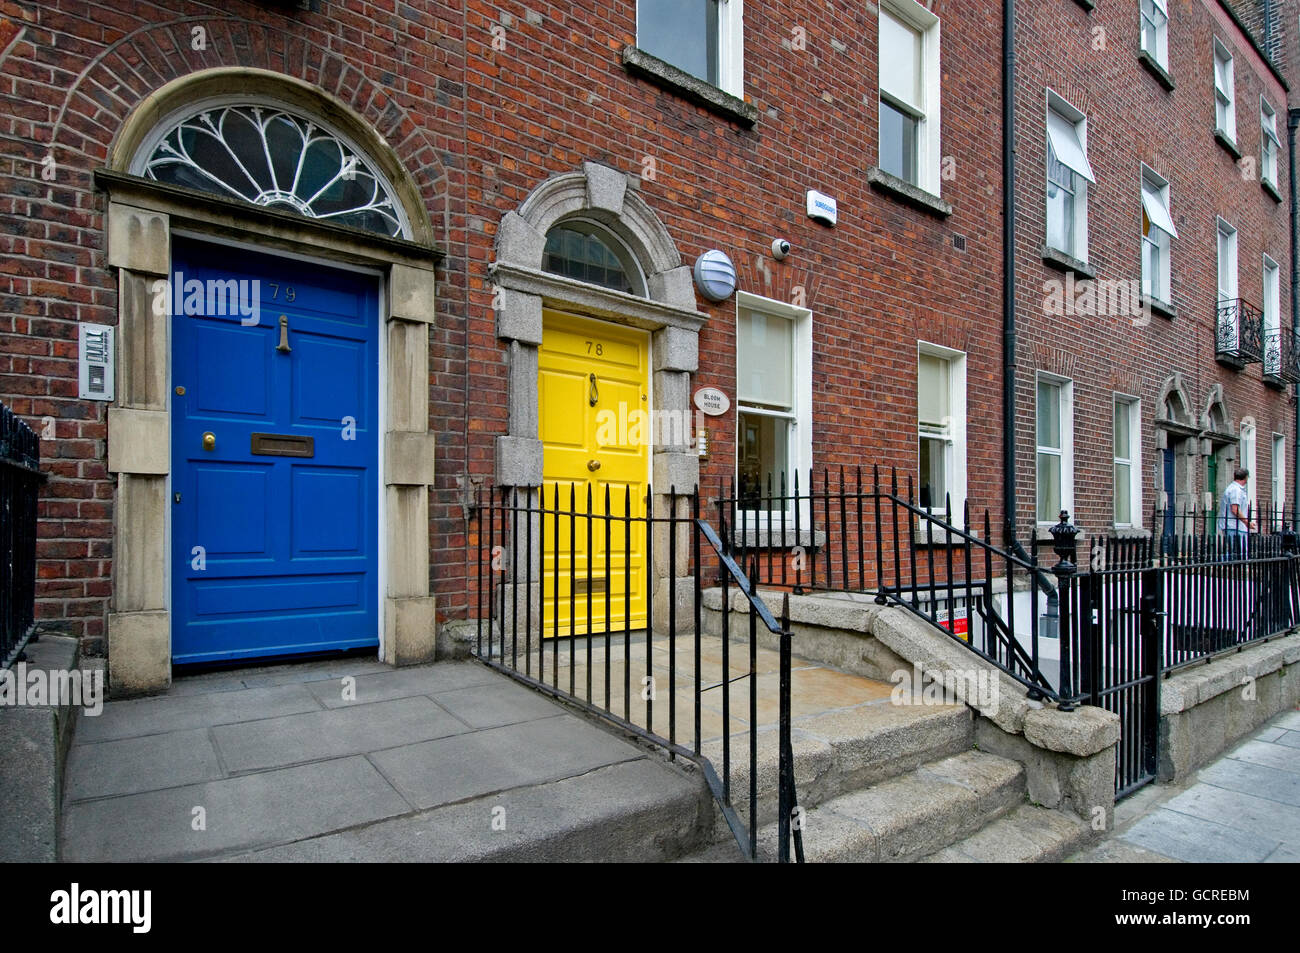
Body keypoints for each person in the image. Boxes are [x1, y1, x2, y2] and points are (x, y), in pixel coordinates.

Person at [1220, 467, 1254, 555]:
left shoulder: (1234, 488)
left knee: (1236, 553)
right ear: (1246, 478)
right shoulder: (1236, 490)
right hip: (1234, 527)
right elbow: (1235, 510)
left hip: (1235, 526)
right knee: (1238, 554)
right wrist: (1247, 523)